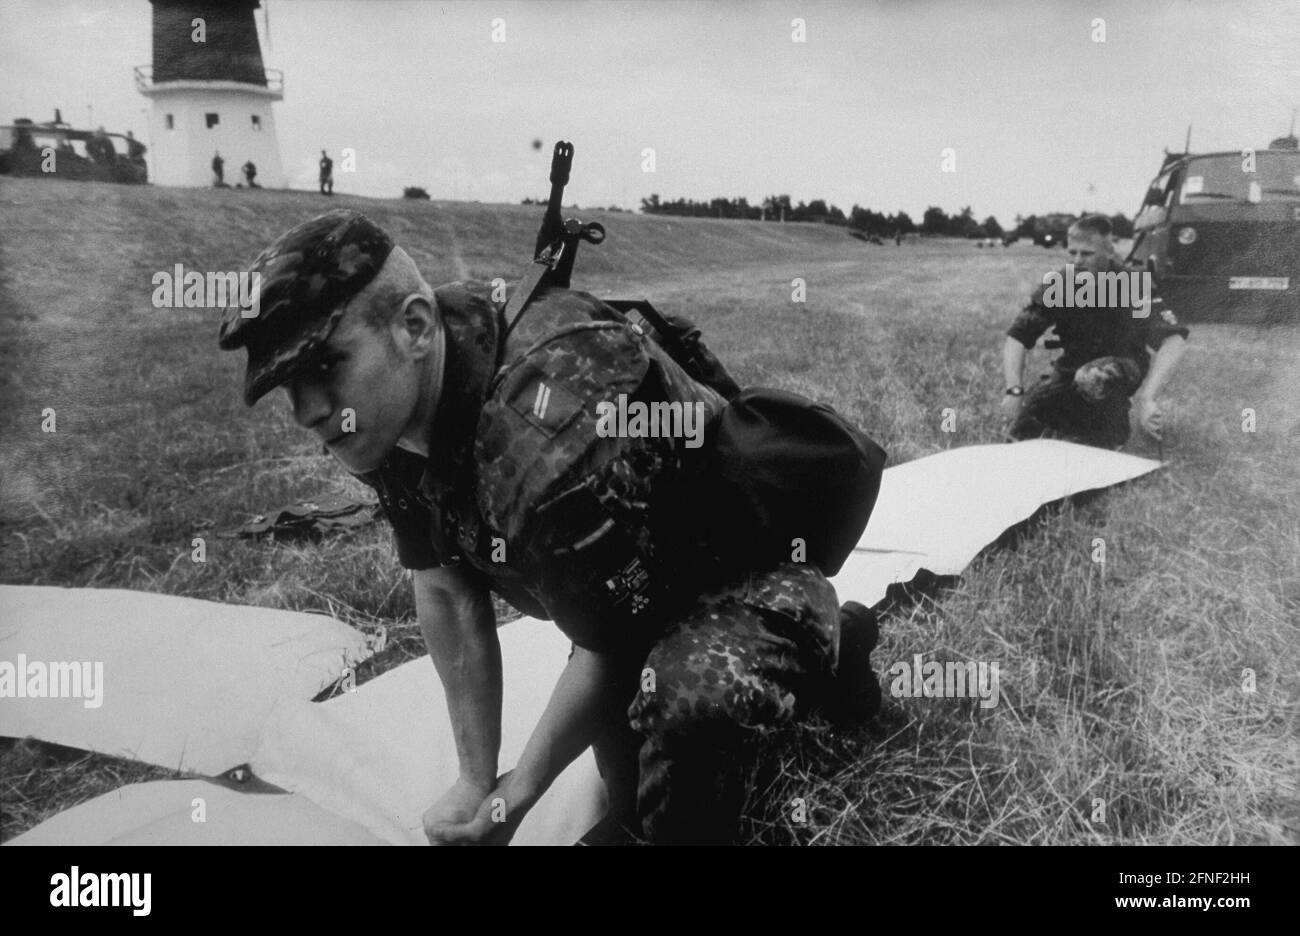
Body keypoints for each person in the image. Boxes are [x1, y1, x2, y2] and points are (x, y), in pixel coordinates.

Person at [218, 209, 881, 845]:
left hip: (743, 574)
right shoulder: (388, 402)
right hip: (623, 596)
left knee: (683, 721)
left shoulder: (551, 436)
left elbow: (613, 648)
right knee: (622, 764)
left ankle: (822, 637)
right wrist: (476, 780)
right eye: (290, 385)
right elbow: (446, 588)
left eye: (326, 366)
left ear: (414, 327)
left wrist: (516, 797)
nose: (307, 411)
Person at [1000, 214, 1188, 449]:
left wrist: (1147, 397)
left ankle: (1112, 433)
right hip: (1071, 369)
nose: (1077, 260)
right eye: (1072, 253)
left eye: (1087, 254)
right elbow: (1017, 337)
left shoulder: (1132, 284)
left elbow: (1174, 340)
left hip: (1123, 367)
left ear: (1109, 251)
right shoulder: (1061, 284)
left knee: (1091, 381)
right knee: (1022, 431)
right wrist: (1014, 390)